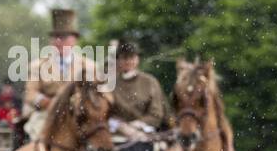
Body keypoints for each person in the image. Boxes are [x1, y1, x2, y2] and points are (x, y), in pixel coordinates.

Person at [22, 8, 94, 140]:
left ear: (74, 40)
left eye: (64, 37)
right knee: (37, 139)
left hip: (78, 116)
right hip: (46, 116)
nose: (58, 41)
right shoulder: (37, 66)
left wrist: (77, 104)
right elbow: (30, 94)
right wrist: (48, 102)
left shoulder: (89, 66)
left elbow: (95, 94)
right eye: (55, 37)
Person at [107, 40, 168, 135]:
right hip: (116, 133)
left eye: (131, 57)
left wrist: (137, 125)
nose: (128, 61)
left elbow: (156, 113)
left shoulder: (149, 81)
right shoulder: (110, 84)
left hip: (145, 133)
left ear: (137, 59)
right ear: (118, 61)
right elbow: (105, 113)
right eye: (124, 58)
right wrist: (121, 126)